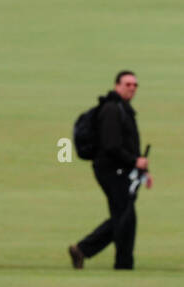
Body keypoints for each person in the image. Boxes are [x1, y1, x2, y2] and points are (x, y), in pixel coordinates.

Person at [68, 70, 150, 270]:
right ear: (117, 85)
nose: (132, 88)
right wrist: (135, 161)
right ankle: (116, 261)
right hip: (112, 171)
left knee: (124, 216)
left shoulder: (123, 108)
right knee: (125, 216)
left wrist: (141, 170)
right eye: (127, 84)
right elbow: (111, 145)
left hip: (122, 170)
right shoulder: (112, 109)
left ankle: (88, 251)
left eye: (135, 85)